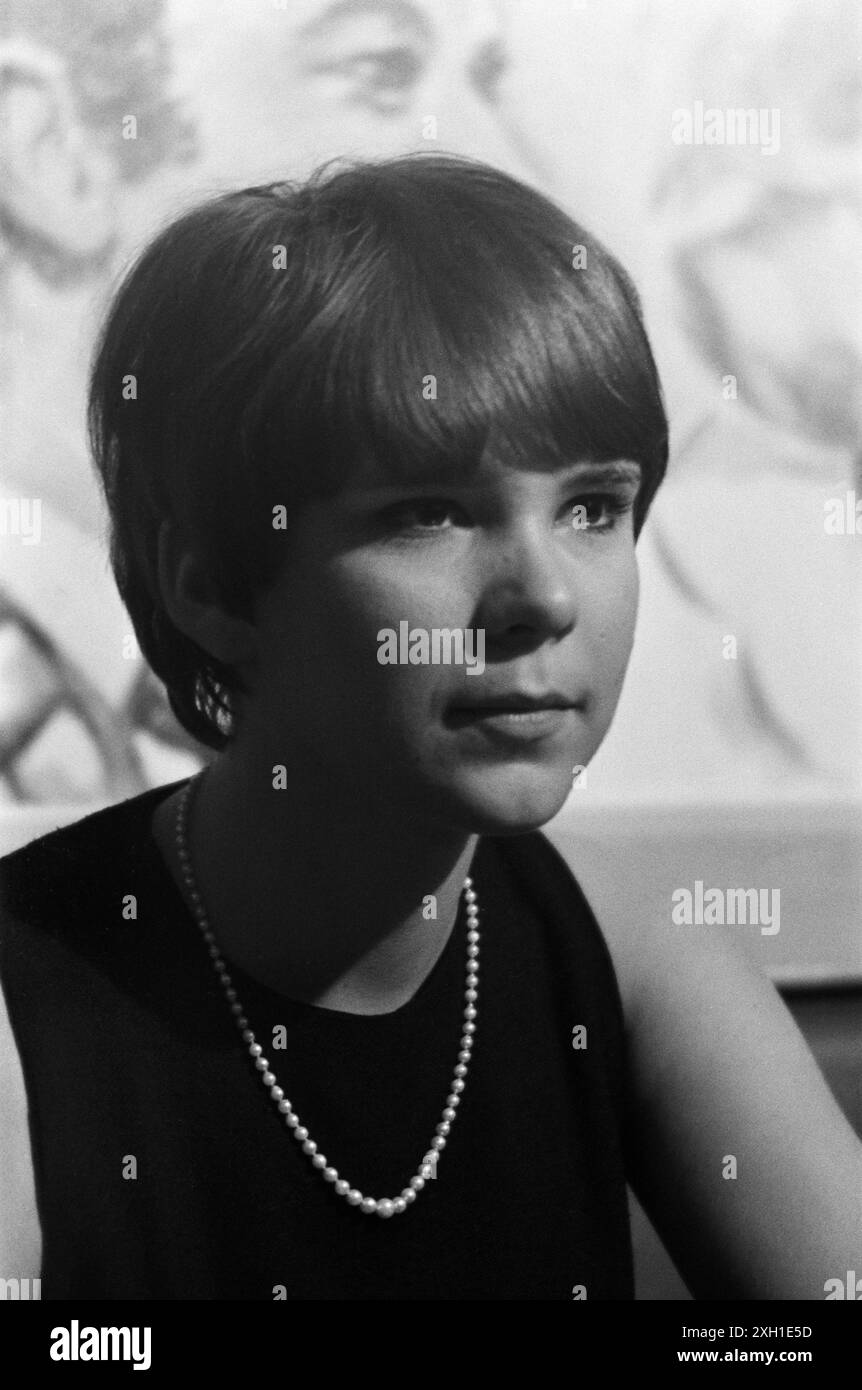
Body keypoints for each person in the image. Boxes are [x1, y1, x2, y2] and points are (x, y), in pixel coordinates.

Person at [0, 154, 858, 1300]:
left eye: (593, 505)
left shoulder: (636, 960)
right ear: (209, 583)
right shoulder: (25, 1014)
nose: (544, 597)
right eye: (432, 512)